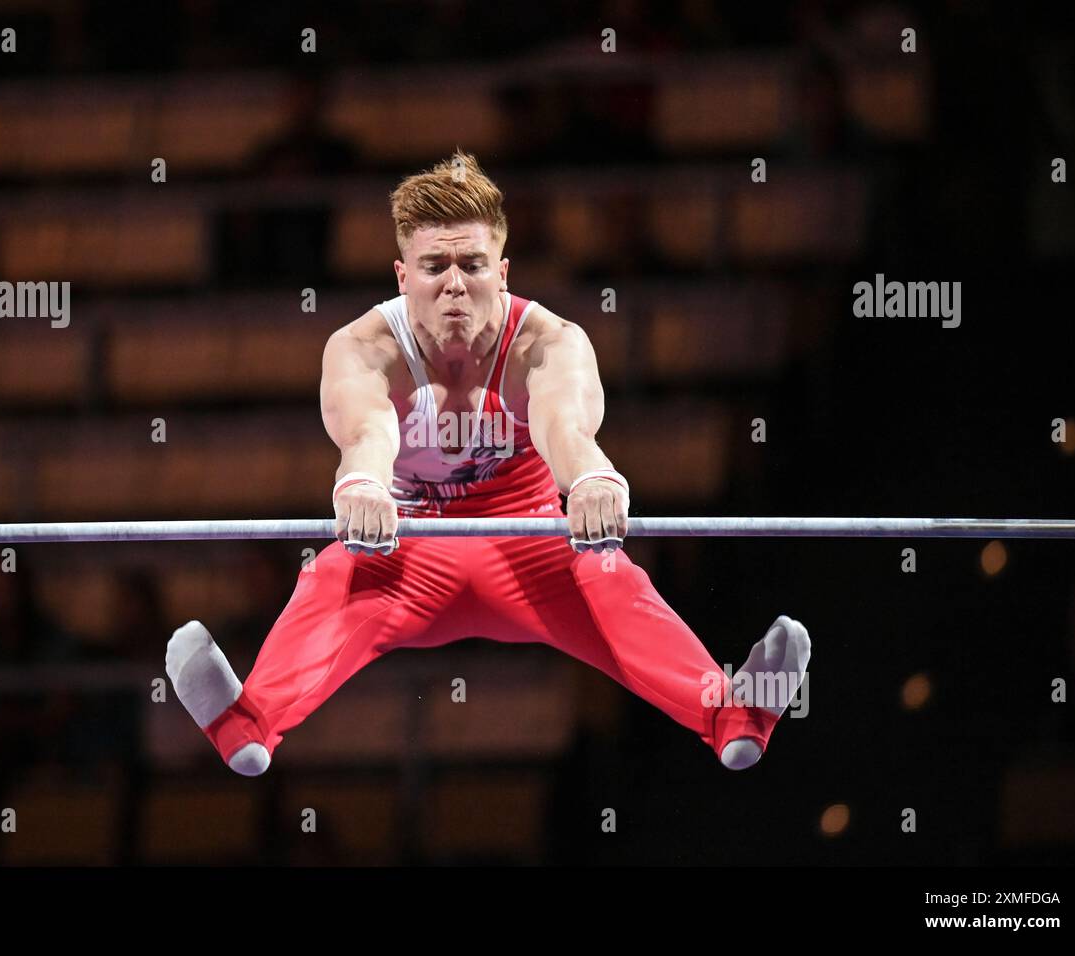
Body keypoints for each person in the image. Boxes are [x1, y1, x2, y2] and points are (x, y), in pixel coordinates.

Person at [166, 151, 810, 776]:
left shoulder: (548, 342)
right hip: (410, 547)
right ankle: (244, 725)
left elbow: (565, 427)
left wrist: (589, 476)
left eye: (471, 264)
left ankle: (736, 718)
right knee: (336, 574)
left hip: (529, 544)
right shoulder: (363, 347)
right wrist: (361, 481)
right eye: (433, 265)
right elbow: (365, 429)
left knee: (609, 572)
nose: (453, 283)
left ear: (502, 271)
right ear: (401, 276)